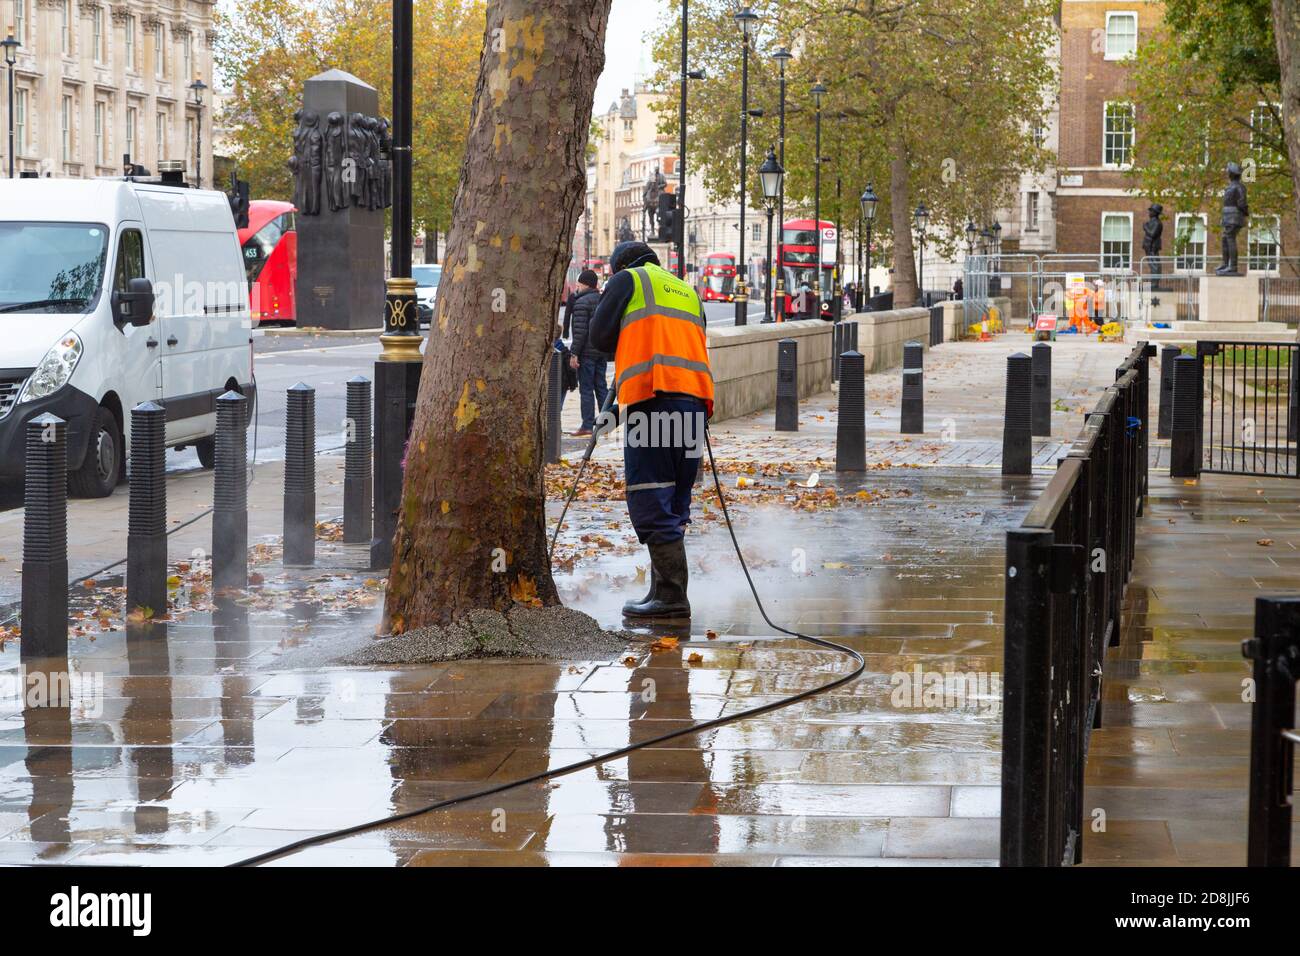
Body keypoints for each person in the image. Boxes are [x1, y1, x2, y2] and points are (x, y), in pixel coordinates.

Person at [589, 241, 713, 619]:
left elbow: (598, 336)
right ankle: (662, 591)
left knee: (650, 498)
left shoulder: (628, 280)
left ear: (620, 266)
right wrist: (611, 411)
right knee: (675, 500)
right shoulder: (686, 291)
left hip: (654, 405)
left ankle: (672, 597)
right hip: (694, 406)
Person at [566, 269, 607, 436]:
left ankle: (587, 425)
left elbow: (580, 331)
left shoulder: (581, 303)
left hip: (587, 354)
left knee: (587, 389)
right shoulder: (602, 300)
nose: (577, 286)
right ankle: (606, 423)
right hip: (601, 351)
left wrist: (574, 353)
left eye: (579, 283)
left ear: (585, 284)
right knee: (601, 387)